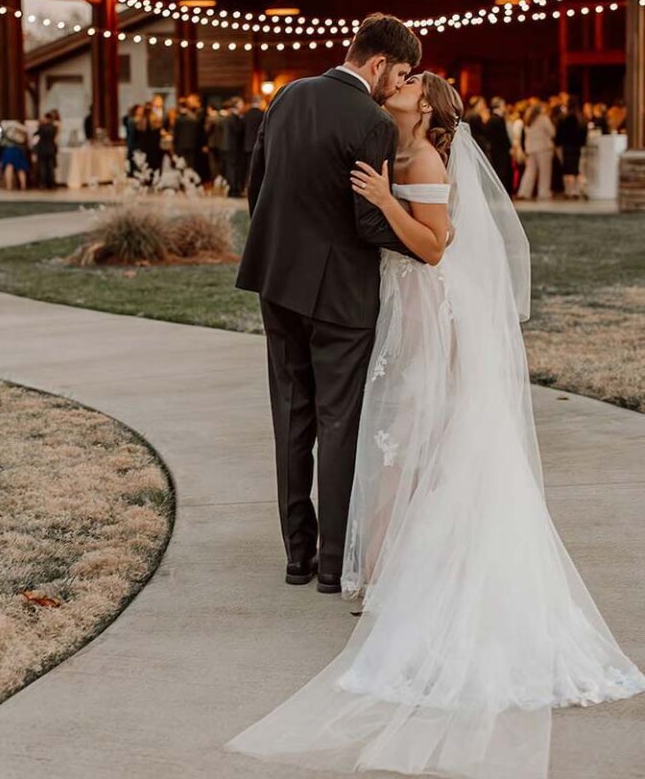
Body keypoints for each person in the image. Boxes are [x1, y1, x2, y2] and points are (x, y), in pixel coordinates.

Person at [228, 72, 645, 779]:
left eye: (412, 82)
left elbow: (434, 245)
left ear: (424, 107)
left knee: (410, 432)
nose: (400, 83)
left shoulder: (422, 157)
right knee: (400, 437)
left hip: (426, 307)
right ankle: (383, 566)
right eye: (403, 74)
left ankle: (390, 572)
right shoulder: (391, 145)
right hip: (397, 304)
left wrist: (386, 200)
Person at [236, 13, 422, 593]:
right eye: (401, 74)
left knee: (291, 418)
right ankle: (333, 565)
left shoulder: (289, 96)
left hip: (276, 280)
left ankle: (297, 558)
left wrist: (280, 249)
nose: (399, 85)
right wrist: (427, 241)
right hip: (341, 293)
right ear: (379, 64)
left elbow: (257, 185)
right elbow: (370, 222)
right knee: (339, 423)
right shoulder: (373, 122)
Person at [517, 102, 555, 201]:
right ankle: (544, 193)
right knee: (544, 172)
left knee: (529, 172)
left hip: (530, 149)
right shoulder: (543, 119)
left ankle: (524, 192)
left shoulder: (528, 120)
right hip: (543, 148)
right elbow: (552, 132)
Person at [555, 95, 587, 199]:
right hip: (578, 147)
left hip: (567, 147)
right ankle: (576, 191)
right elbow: (584, 134)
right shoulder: (581, 119)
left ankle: (569, 190)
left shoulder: (563, 119)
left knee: (567, 169)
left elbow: (559, 134)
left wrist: (558, 145)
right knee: (576, 169)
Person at [485, 95, 513, 195]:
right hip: (501, 151)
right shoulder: (498, 119)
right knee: (502, 172)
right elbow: (503, 137)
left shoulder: (491, 119)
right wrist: (509, 147)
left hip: (495, 150)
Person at [223, 97, 246, 197]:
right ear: (236, 105)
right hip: (233, 146)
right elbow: (237, 130)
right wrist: (242, 120)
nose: (243, 106)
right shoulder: (234, 117)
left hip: (229, 146)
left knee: (231, 168)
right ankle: (234, 190)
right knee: (233, 168)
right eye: (241, 104)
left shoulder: (229, 116)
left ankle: (233, 188)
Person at [242, 95, 265, 190]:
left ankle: (247, 186)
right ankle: (256, 187)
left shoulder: (246, 114)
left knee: (248, 167)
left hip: (247, 144)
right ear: (260, 102)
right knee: (258, 166)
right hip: (259, 144)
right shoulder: (262, 114)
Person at [0, 120, 30, 190]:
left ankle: (9, 186)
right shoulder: (20, 127)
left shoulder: (6, 125)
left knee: (9, 166)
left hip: (9, 149)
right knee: (20, 168)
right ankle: (23, 186)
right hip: (19, 149)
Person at [33, 111, 58, 189]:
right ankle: (52, 183)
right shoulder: (54, 127)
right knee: (51, 167)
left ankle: (43, 183)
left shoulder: (42, 127)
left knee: (43, 167)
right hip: (51, 150)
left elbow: (36, 134)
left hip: (42, 150)